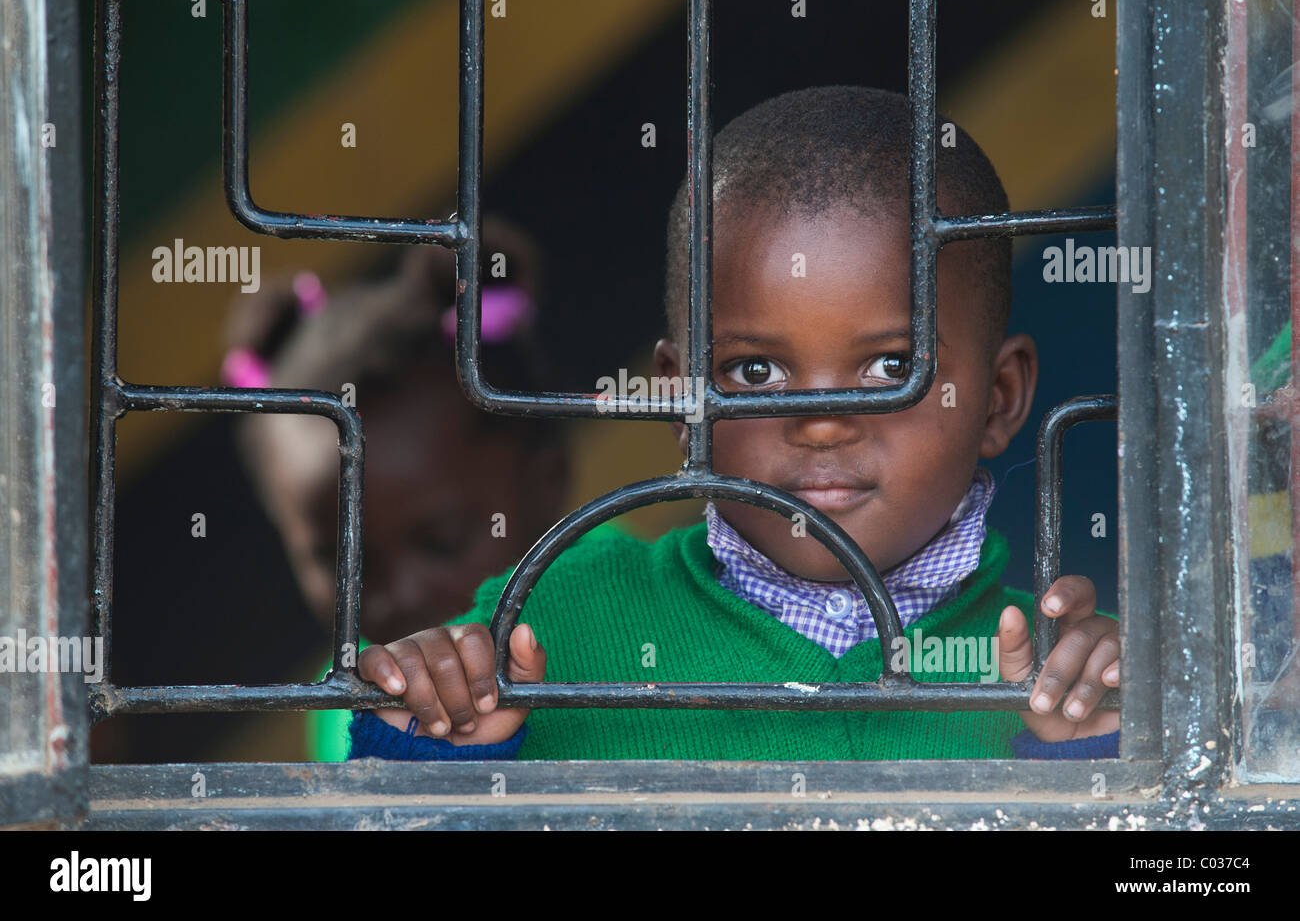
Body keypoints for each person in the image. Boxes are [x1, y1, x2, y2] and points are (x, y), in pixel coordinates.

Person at [347, 86, 1122, 761]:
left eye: (891, 366)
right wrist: (431, 748)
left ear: (1000, 397)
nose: (822, 426)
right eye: (756, 371)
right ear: (682, 402)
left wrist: (1093, 751)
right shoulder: (552, 623)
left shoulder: (1070, 673)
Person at [225, 217, 574, 759]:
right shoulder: (349, 696)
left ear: (545, 482)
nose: (404, 593)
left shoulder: (634, 606)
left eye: (441, 539)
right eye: (348, 563)